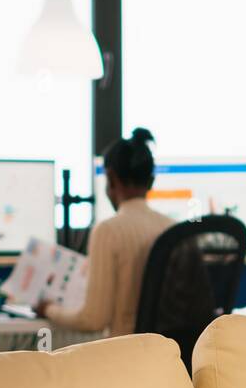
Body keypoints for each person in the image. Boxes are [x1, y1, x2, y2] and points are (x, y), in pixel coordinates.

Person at [38, 128, 175, 335]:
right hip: (169, 355)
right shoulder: (172, 227)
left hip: (125, 356)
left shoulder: (108, 231)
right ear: (151, 181)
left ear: (111, 178)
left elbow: (93, 320)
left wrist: (48, 309)